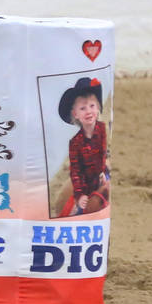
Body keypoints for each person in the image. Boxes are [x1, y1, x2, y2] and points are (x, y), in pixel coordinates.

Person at [57, 77, 110, 215]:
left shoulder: (102, 130)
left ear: (97, 107)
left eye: (92, 106)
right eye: (82, 108)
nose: (88, 111)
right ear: (75, 114)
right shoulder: (76, 142)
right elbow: (76, 172)